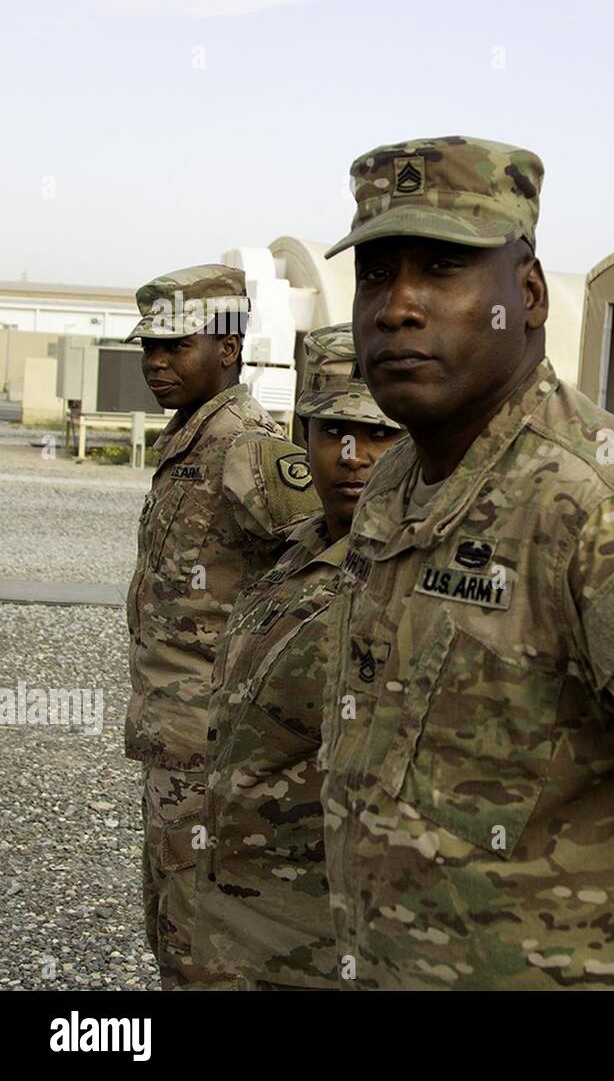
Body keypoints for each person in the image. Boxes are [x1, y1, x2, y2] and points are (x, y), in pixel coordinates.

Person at [319, 135, 614, 989]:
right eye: (377, 273)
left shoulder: (612, 511)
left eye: (444, 268)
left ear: (526, 295)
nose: (397, 307)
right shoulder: (394, 485)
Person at [123, 264, 322, 989]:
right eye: (149, 347)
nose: (156, 362)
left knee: (209, 949)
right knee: (175, 933)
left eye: (175, 346)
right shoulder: (192, 438)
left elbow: (328, 571)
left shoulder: (247, 445)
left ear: (230, 348)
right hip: (176, 745)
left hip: (216, 754)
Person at [193, 323, 404, 989]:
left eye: (378, 434)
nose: (350, 454)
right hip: (249, 913)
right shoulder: (295, 549)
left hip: (326, 934)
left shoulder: (409, 577)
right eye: (331, 431)